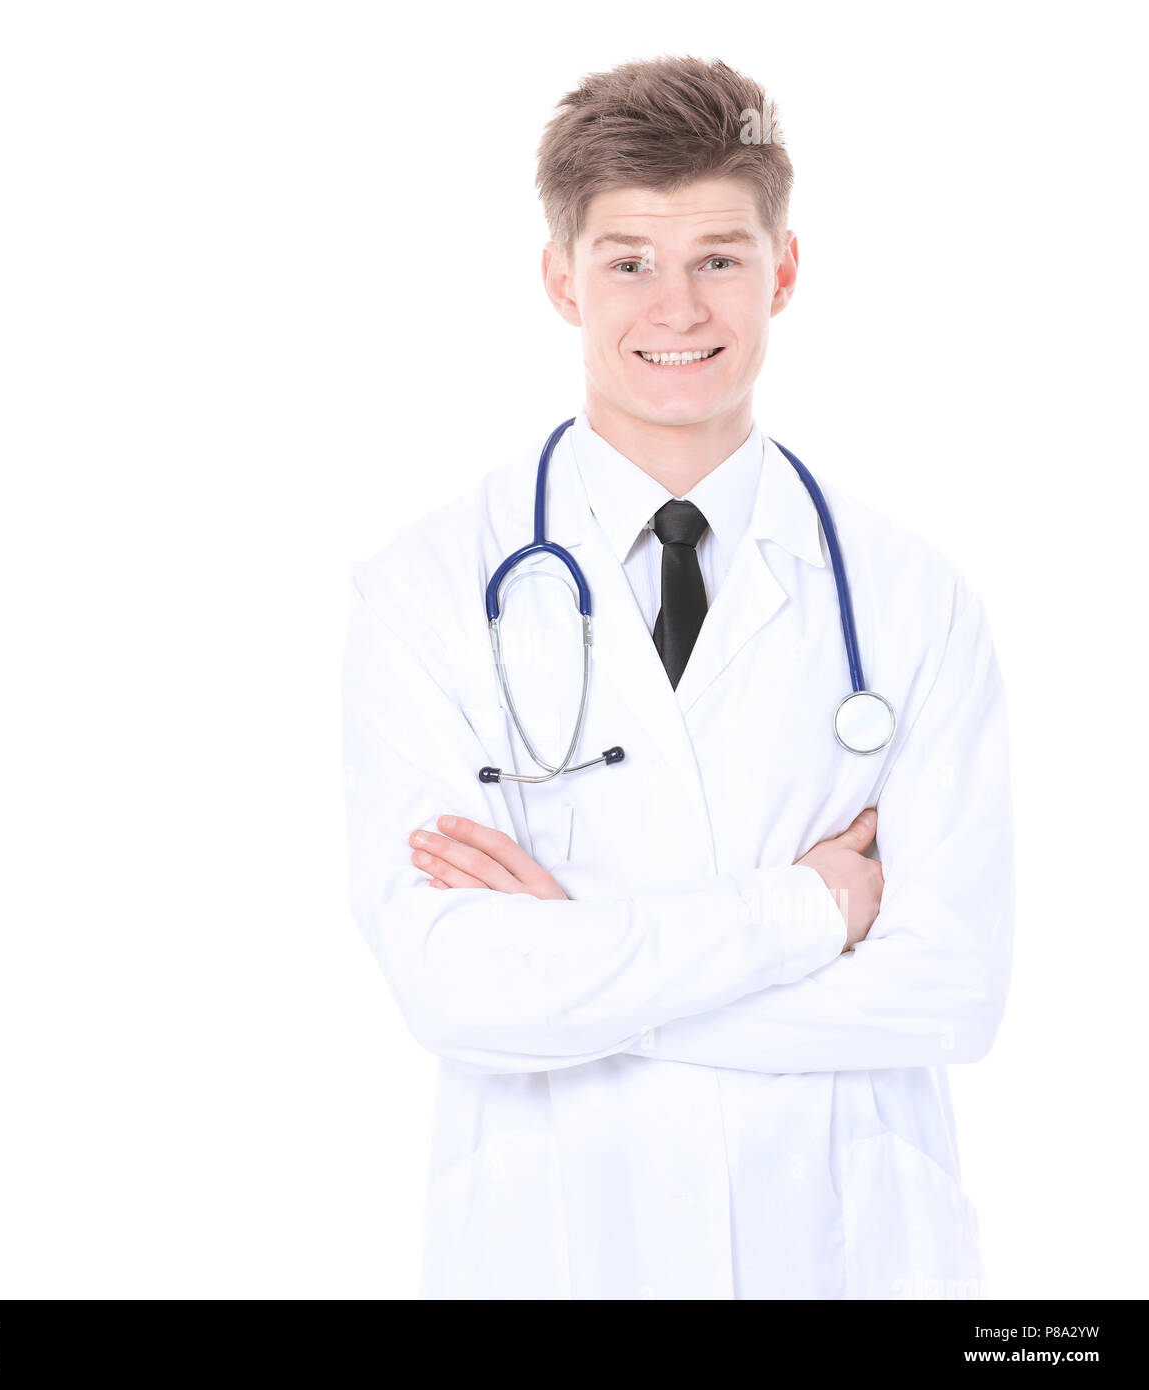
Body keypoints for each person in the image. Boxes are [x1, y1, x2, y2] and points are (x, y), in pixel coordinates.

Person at [340, 54, 1013, 1300]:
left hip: (844, 1251)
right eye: (628, 262)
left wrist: (576, 982)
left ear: (785, 269)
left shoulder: (913, 599)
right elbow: (454, 988)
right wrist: (808, 915)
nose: (678, 308)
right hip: (554, 1249)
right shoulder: (424, 590)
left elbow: (950, 992)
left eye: (718, 256)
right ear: (560, 279)